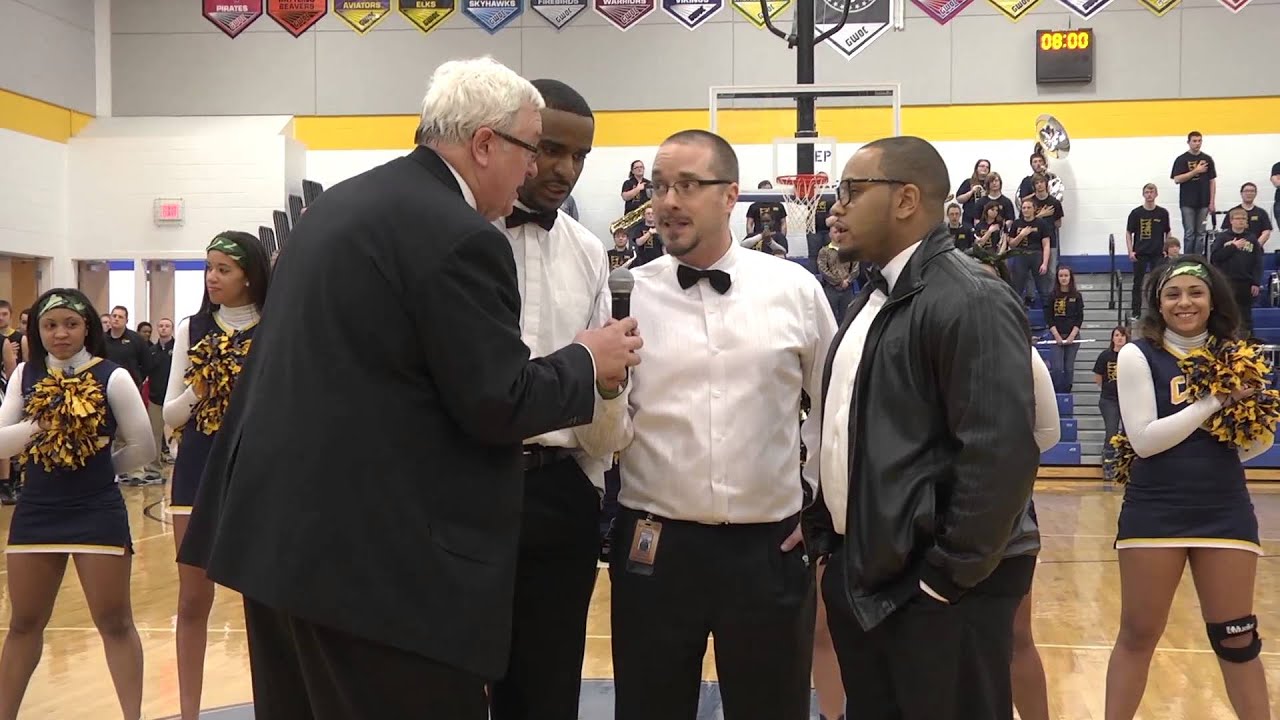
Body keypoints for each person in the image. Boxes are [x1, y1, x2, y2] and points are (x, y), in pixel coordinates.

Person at [174, 57, 642, 720]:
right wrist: (584, 360)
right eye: (530, 150)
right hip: (374, 565)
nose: (535, 169)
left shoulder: (339, 206)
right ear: (485, 144)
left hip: (278, 545)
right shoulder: (456, 235)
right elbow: (496, 400)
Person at [805, 136, 1040, 719]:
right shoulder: (870, 300)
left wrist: (946, 577)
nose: (835, 206)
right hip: (869, 575)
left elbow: (1000, 454)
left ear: (906, 199)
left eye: (852, 190)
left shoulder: (971, 296)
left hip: (934, 592)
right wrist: (825, 535)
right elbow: (846, 432)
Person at [608, 129, 836, 720]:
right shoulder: (629, 295)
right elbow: (605, 424)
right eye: (660, 187)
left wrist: (822, 508)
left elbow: (836, 409)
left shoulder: (795, 289)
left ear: (730, 195)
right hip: (653, 546)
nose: (668, 201)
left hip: (770, 546)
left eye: (687, 185)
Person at [489, 79, 628, 720]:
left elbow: (604, 379)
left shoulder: (589, 251)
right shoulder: (458, 235)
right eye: (549, 150)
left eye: (580, 157)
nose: (564, 170)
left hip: (560, 489)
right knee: (454, 679)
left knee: (548, 691)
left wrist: (592, 478)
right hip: (468, 481)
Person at [1105, 257, 1272, 720]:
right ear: (1158, 303)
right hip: (1155, 509)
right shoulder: (1138, 354)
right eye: (1173, 294)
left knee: (1237, 636)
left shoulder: (1237, 355)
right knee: (1139, 633)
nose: (1185, 302)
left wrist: (1248, 413)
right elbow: (1144, 440)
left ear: (1213, 298)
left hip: (1225, 508)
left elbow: (1258, 443)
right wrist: (1218, 398)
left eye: (1195, 293)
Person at [0, 289, 155, 720]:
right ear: (38, 331)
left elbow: (143, 446)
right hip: (37, 511)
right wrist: (40, 426)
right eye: (50, 325)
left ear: (88, 326)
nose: (60, 333)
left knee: (115, 621)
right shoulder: (24, 376)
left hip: (97, 510)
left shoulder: (113, 375)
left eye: (70, 323)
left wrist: (100, 466)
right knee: (23, 624)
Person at [164, 232, 271, 720]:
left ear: (249, 274)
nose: (212, 278)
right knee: (192, 600)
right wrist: (200, 388)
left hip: (257, 469)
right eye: (209, 268)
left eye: (223, 268)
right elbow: (169, 413)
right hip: (196, 470)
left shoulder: (275, 325)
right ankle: (188, 712)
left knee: (265, 605)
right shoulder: (192, 328)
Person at [1211, 208, 1264, 338]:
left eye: (1243, 219)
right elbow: (1215, 258)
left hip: (1245, 283)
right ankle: (1226, 341)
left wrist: (1256, 282)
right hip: (1227, 282)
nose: (1241, 221)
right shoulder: (1223, 237)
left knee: (1246, 316)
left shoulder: (1251, 238)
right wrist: (1233, 247)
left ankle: (1247, 343)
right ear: (1231, 221)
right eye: (1238, 219)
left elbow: (1257, 263)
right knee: (1226, 313)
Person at [1126, 184, 1171, 319]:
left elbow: (1167, 232)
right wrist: (1130, 251)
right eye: (1146, 192)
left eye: (1152, 192)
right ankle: (1136, 312)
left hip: (1157, 253)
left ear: (1156, 194)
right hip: (1140, 253)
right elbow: (1128, 232)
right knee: (1137, 283)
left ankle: (1157, 311)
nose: (1149, 194)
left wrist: (1166, 249)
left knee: (1158, 282)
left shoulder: (1162, 213)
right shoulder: (1136, 213)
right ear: (1143, 194)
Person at [1093, 325, 1129, 482]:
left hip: (1128, 399)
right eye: (1116, 335)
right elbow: (1098, 378)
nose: (1119, 338)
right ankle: (1108, 464)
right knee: (1111, 432)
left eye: (1122, 335)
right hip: (1109, 400)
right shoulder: (1105, 356)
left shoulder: (1132, 356)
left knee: (1129, 432)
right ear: (1112, 338)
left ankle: (1126, 465)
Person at [1047, 265, 1084, 393]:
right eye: (1061, 276)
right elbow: (1049, 318)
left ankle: (1067, 393)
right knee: (1057, 368)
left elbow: (1079, 318)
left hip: (1072, 336)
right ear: (1057, 278)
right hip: (1056, 335)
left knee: (1068, 368)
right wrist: (1056, 335)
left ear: (1070, 277)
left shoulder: (1077, 296)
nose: (1063, 278)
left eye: (1066, 275)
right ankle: (1056, 393)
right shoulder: (1052, 296)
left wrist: (1071, 336)